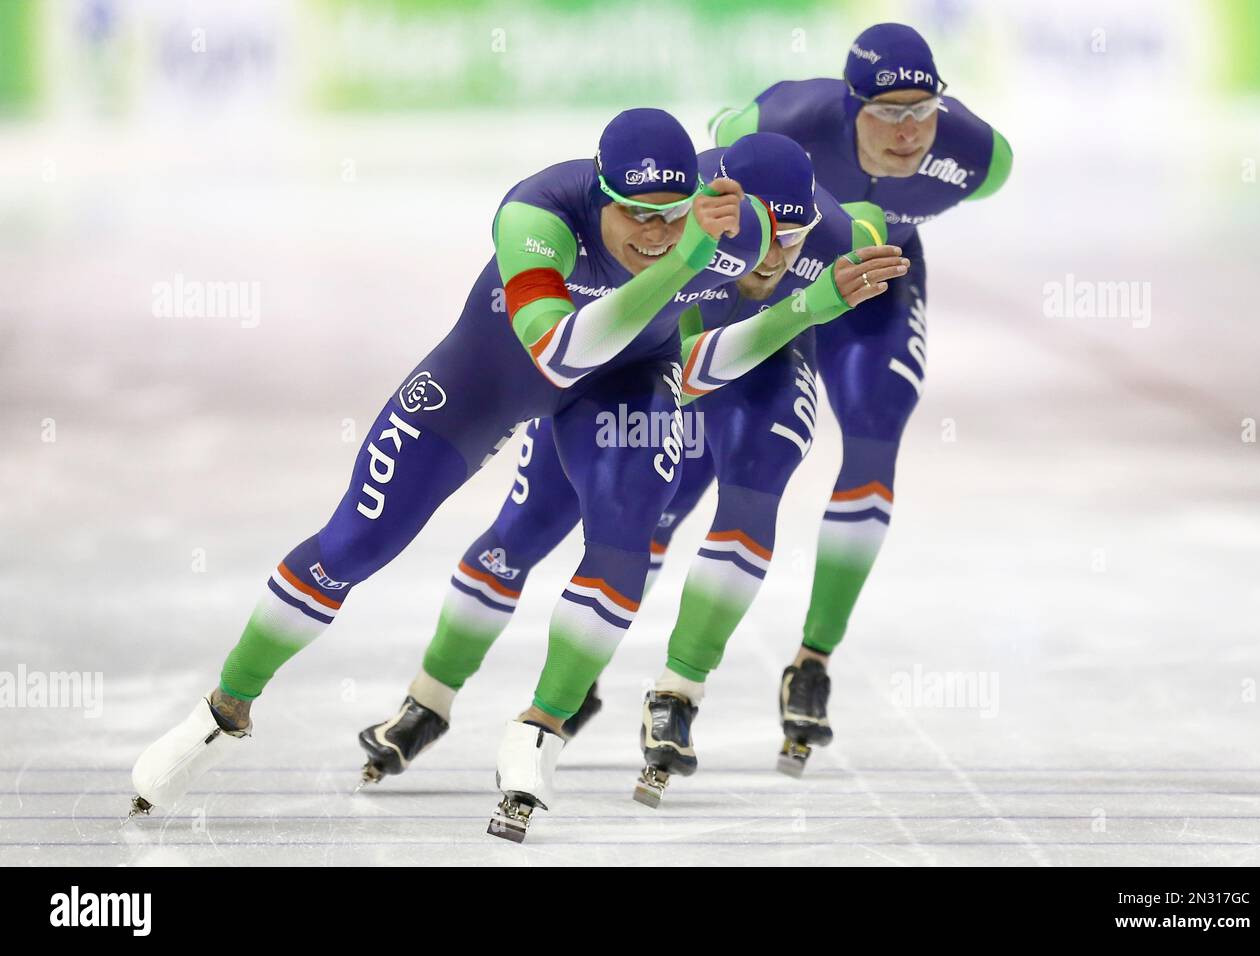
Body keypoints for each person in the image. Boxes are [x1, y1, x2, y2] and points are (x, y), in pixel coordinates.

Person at [354, 133, 903, 811]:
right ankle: (429, 698)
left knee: (752, 488)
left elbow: (865, 234)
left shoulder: (836, 238)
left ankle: (680, 692)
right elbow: (670, 359)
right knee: (530, 525)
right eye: (761, 234)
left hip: (763, 361)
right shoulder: (674, 219)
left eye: (794, 236)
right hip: (653, 366)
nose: (773, 256)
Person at [709, 23, 1013, 773]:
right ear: (851, 106)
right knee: (698, 466)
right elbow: (708, 163)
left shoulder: (980, 156)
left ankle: (812, 662)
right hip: (778, 281)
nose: (909, 132)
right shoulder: (783, 122)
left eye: (924, 110)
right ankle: (642, 659)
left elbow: (958, 165)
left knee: (876, 437)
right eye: (888, 111)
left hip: (876, 279)